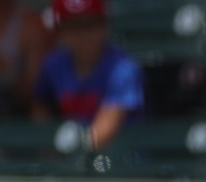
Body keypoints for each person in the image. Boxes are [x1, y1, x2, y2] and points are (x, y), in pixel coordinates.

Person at [32, 0, 144, 150]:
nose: (83, 34)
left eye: (91, 24)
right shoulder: (53, 65)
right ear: (60, 31)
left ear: (105, 25)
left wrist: (65, 150)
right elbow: (40, 104)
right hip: (72, 155)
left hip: (119, 159)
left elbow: (104, 130)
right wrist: (46, 139)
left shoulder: (123, 67)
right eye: (74, 26)